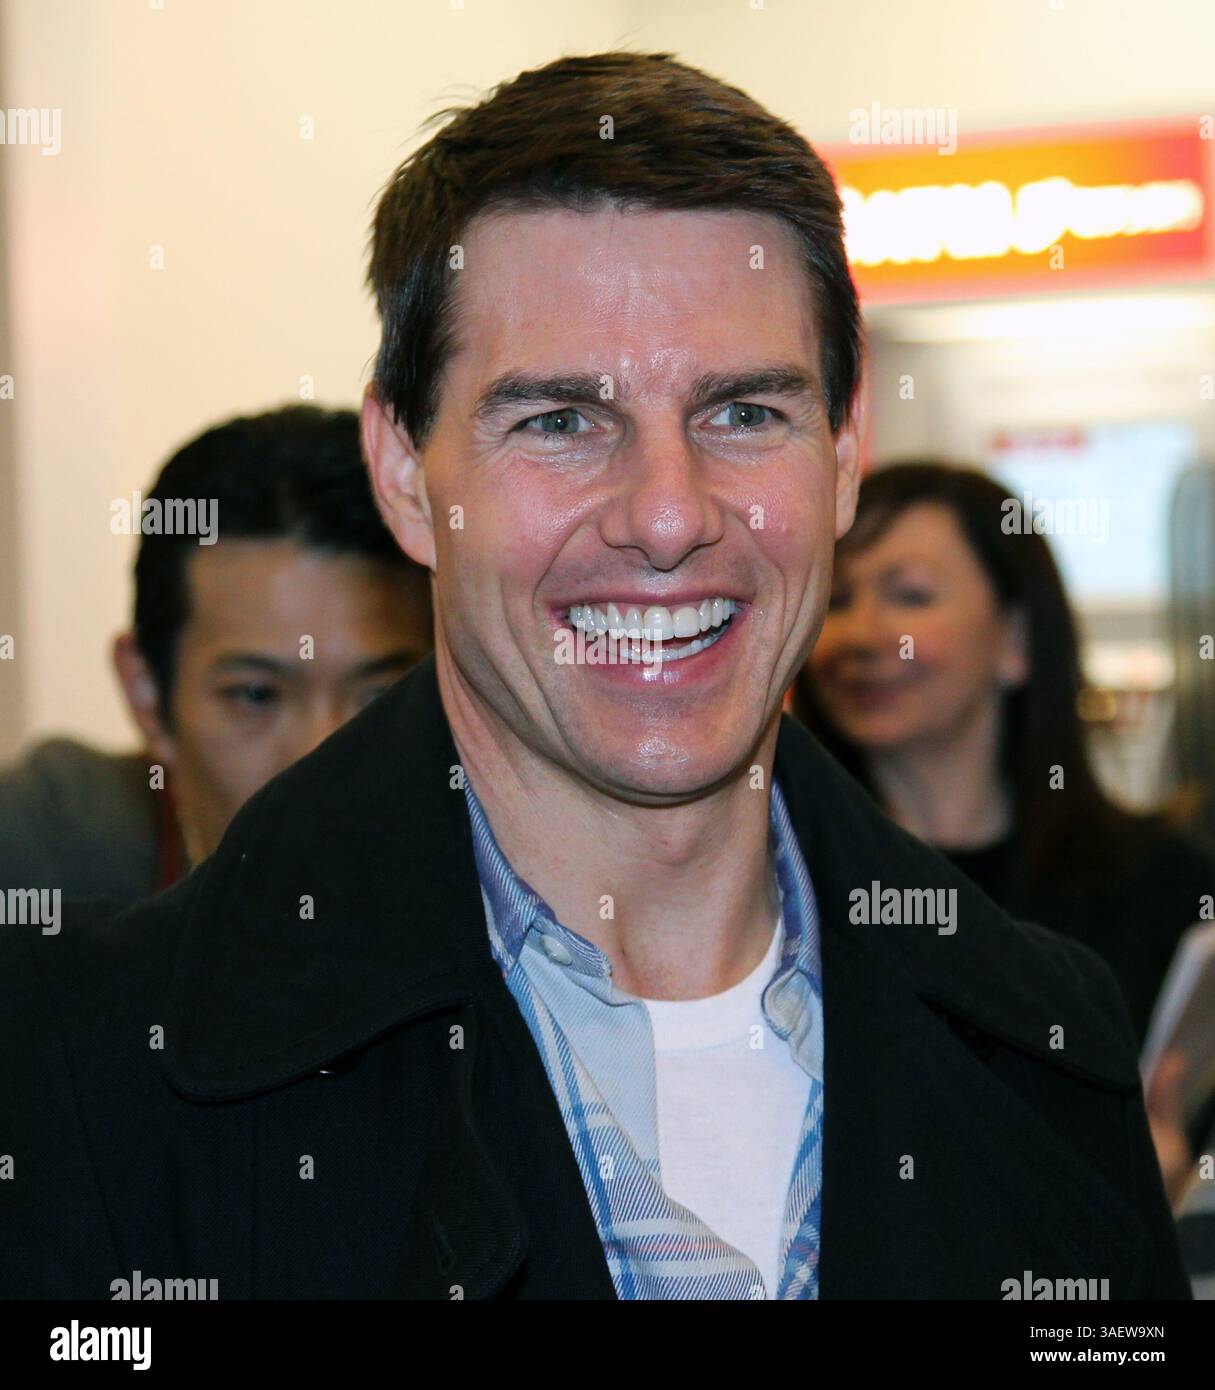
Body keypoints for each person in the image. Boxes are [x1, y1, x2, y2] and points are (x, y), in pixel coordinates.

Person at [0, 52, 1189, 1300]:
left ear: (844, 454)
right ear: (405, 472)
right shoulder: (82, 1069)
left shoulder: (1050, 1042)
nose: (669, 516)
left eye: (743, 413)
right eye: (561, 420)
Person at [793, 461, 1214, 1047]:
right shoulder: (787, 884)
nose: (861, 635)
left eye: (910, 595)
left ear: (1016, 641)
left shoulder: (1159, 887)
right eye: (837, 600)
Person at [0, 404, 433, 901]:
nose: (321, 762)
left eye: (381, 696)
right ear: (146, 695)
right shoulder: (44, 862)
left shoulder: (510, 878)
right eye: (257, 695)